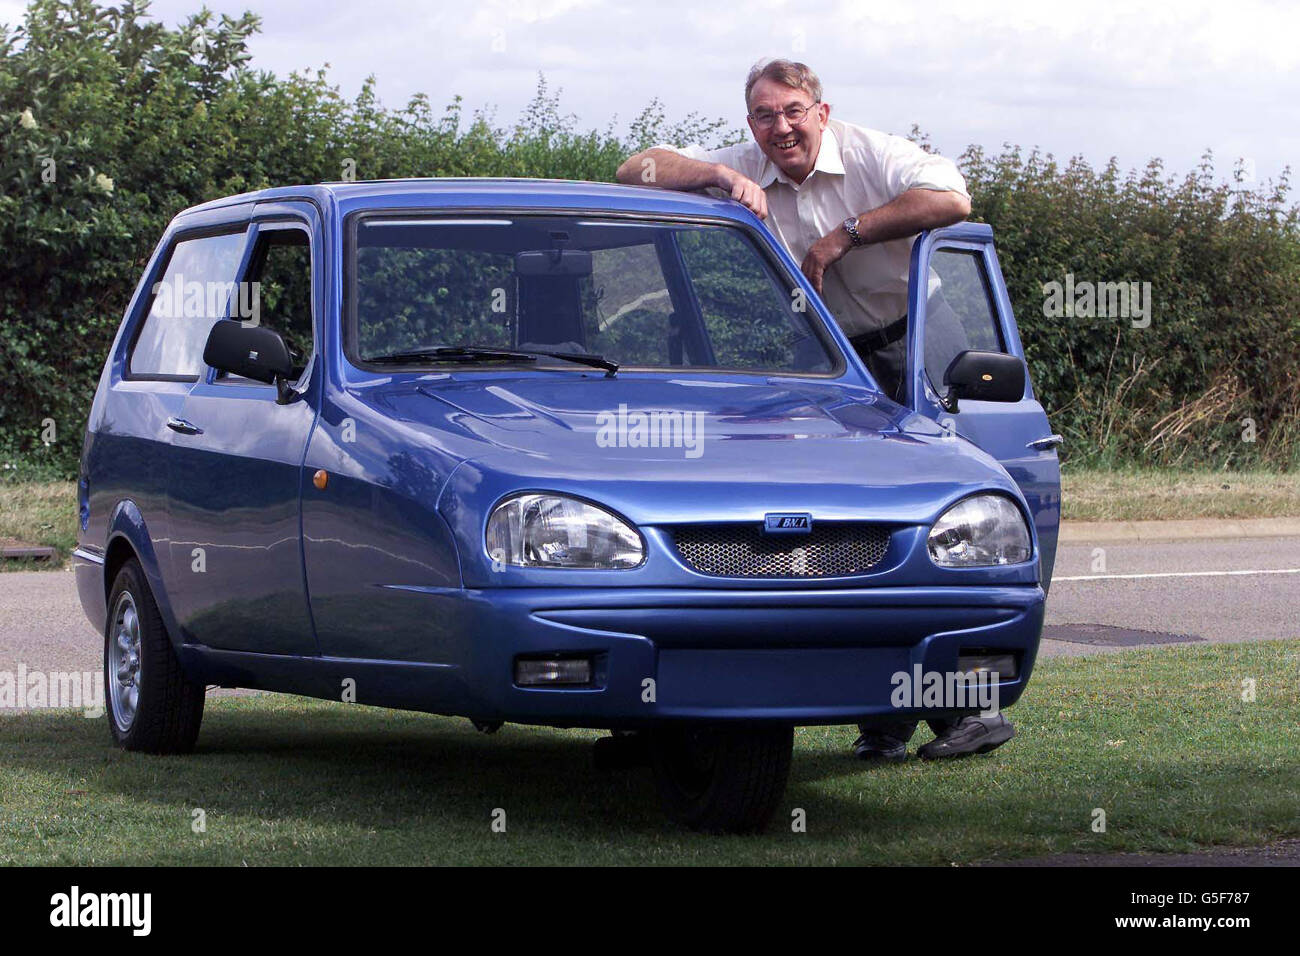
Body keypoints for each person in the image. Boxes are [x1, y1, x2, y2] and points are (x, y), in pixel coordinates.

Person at [616, 57, 1014, 760]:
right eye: (765, 116)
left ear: (821, 114)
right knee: (856, 515)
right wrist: (718, 177)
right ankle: (884, 718)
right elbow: (633, 170)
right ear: (751, 125)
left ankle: (969, 709)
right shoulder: (746, 160)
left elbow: (954, 201)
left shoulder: (873, 154)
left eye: (794, 111)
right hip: (836, 362)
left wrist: (848, 235)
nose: (781, 127)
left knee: (938, 513)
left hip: (914, 339)